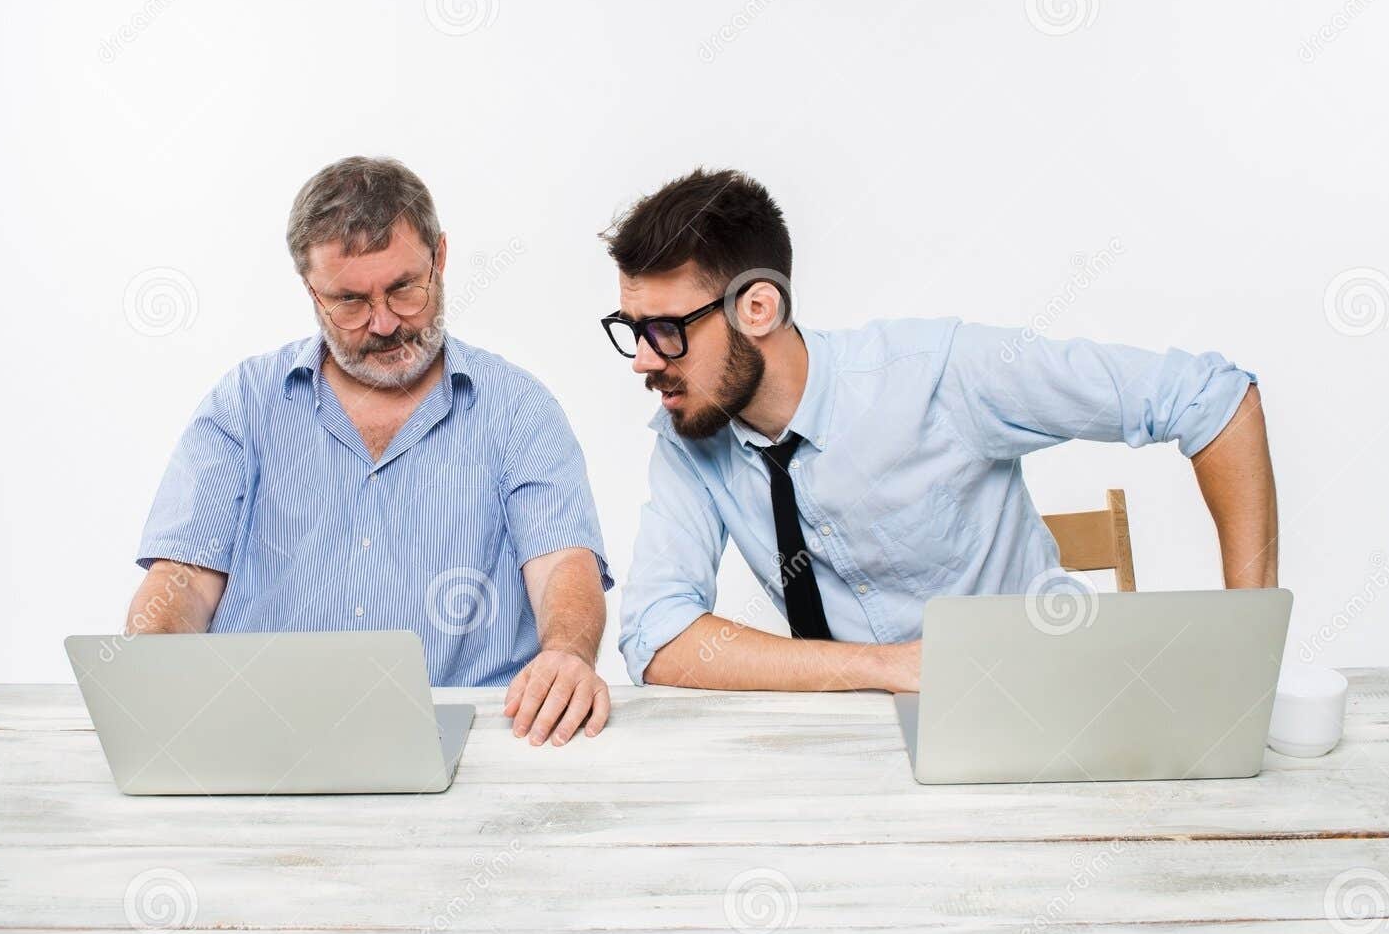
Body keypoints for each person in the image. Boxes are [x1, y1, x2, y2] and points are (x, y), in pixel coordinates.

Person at [603, 167, 1278, 692]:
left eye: (665, 330)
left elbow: (1212, 399)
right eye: (632, 331)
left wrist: (1249, 647)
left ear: (757, 307)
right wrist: (881, 668)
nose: (641, 360)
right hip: (867, 740)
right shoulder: (690, 434)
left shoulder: (937, 375)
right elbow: (658, 638)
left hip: (1048, 697)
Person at [127, 156, 613, 746]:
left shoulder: (517, 408)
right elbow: (183, 578)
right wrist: (150, 672)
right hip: (263, 739)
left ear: (439, 258)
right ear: (311, 290)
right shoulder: (243, 405)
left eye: (404, 289)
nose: (384, 323)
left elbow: (563, 564)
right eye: (351, 301)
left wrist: (566, 652)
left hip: (483, 740)